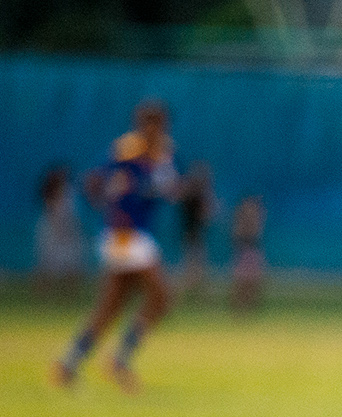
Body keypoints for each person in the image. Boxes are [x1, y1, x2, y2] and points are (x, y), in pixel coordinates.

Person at [49, 100, 178, 394]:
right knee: (161, 297)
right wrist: (110, 205)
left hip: (138, 234)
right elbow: (94, 180)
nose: (155, 129)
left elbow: (166, 188)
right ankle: (119, 360)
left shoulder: (162, 151)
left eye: (159, 124)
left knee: (110, 307)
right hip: (125, 235)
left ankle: (69, 363)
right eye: (150, 123)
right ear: (141, 124)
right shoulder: (126, 150)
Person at [33, 165, 87, 298]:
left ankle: (69, 296)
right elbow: (52, 213)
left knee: (73, 265)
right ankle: (41, 295)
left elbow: (73, 214)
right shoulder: (50, 193)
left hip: (69, 232)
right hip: (53, 232)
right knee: (47, 266)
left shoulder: (70, 192)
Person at [176, 161, 219, 295]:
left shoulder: (191, 194)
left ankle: (194, 293)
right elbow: (207, 214)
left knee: (195, 268)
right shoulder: (194, 196)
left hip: (192, 234)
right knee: (193, 268)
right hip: (192, 234)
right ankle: (182, 294)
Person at [229, 195, 266, 315]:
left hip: (251, 250)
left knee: (253, 281)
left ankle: (249, 306)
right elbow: (238, 236)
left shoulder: (254, 220)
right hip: (245, 250)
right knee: (243, 281)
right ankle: (240, 306)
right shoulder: (241, 222)